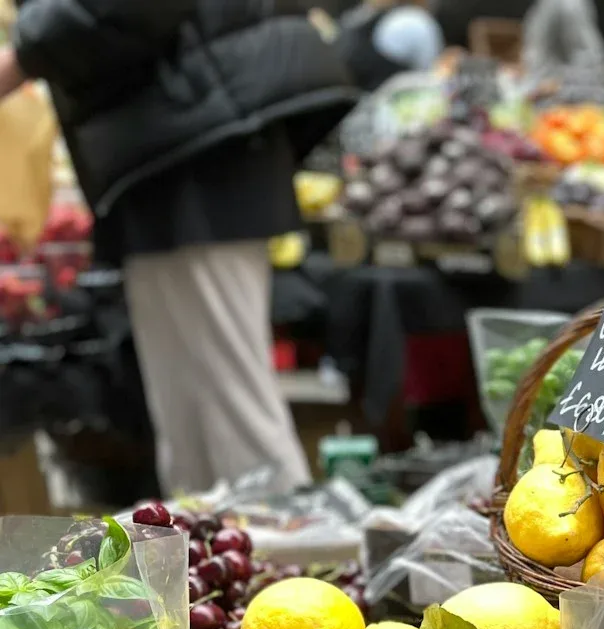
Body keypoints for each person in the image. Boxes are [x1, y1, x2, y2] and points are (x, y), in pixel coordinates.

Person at [0, 2, 358, 496]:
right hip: (180, 138)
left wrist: (25, 51)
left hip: (191, 141)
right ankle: (214, 563)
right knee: (194, 418)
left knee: (230, 418)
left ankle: (284, 563)